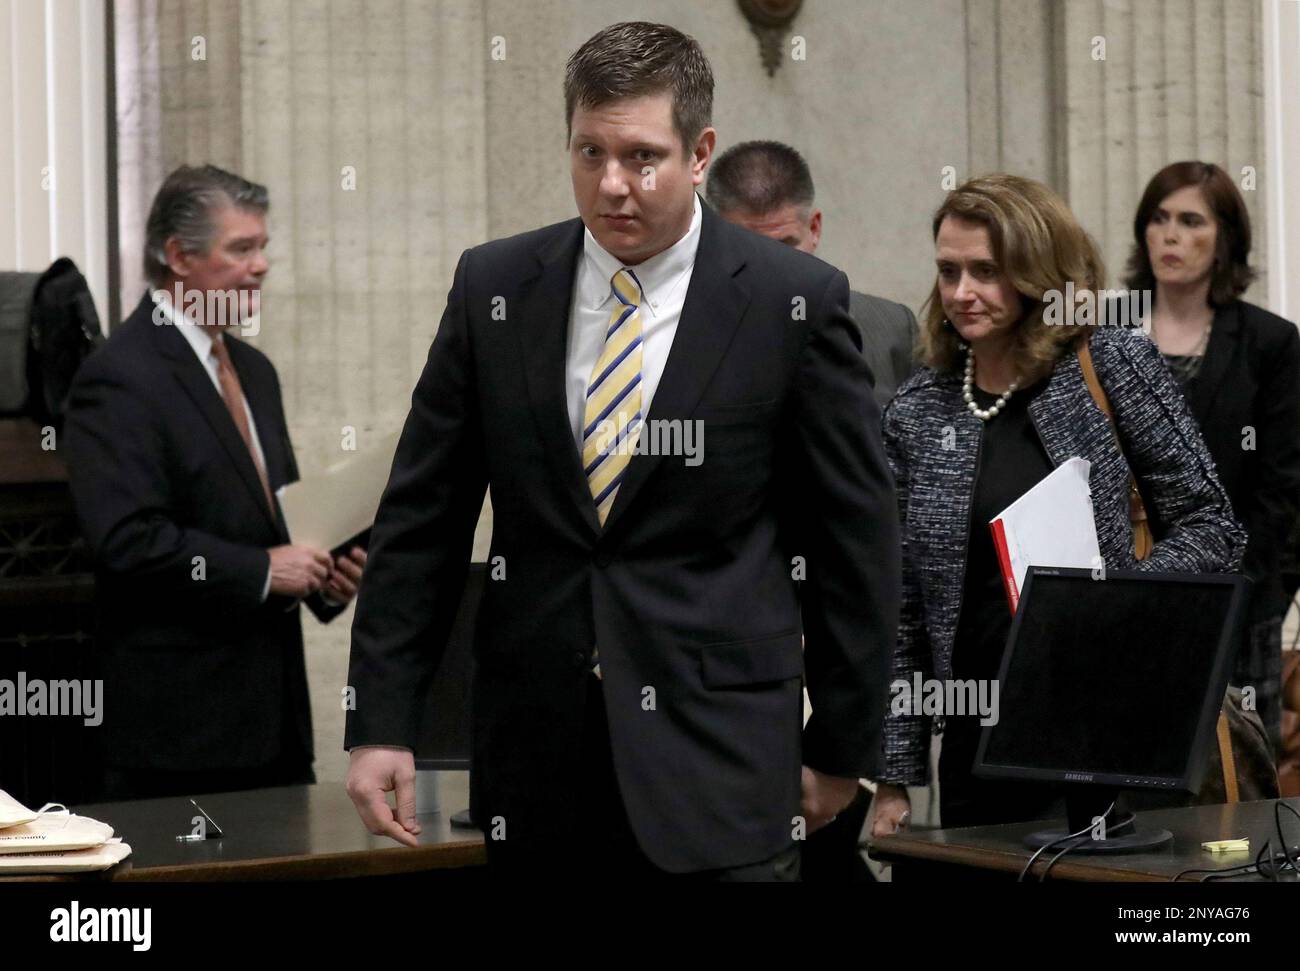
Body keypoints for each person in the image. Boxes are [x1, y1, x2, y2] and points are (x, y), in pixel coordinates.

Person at [344, 21, 901, 879]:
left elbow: (853, 545)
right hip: (537, 763)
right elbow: (422, 514)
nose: (612, 185)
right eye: (589, 152)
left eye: (642, 157)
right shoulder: (495, 289)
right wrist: (382, 718)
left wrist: (839, 748)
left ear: (700, 151)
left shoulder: (793, 303)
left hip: (722, 764)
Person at [868, 174, 1245, 837]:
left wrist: (1114, 599)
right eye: (948, 270)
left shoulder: (1109, 363)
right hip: (974, 736)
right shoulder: (919, 410)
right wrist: (894, 773)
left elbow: (1212, 523)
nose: (962, 292)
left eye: (987, 270)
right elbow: (902, 611)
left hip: (1104, 722)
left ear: (1039, 272)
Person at [63, 165, 366, 800]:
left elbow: (271, 520)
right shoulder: (119, 376)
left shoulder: (254, 371)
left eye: (263, 248)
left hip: (276, 726)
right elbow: (127, 541)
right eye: (241, 249)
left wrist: (326, 572)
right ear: (178, 256)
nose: (261, 267)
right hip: (178, 738)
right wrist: (263, 569)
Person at [1124, 160, 1300, 755]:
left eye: (1191, 221)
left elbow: (1282, 489)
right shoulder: (1105, 335)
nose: (1170, 235)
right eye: (1159, 218)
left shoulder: (1268, 343)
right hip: (1126, 597)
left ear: (1224, 239)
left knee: (1239, 800)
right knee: (1133, 781)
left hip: (1236, 602)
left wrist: (1243, 589)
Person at [706, 139, 917, 409]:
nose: (770, 271)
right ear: (714, 239)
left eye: (786, 247)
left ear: (814, 228)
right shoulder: (681, 334)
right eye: (750, 249)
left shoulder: (891, 331)